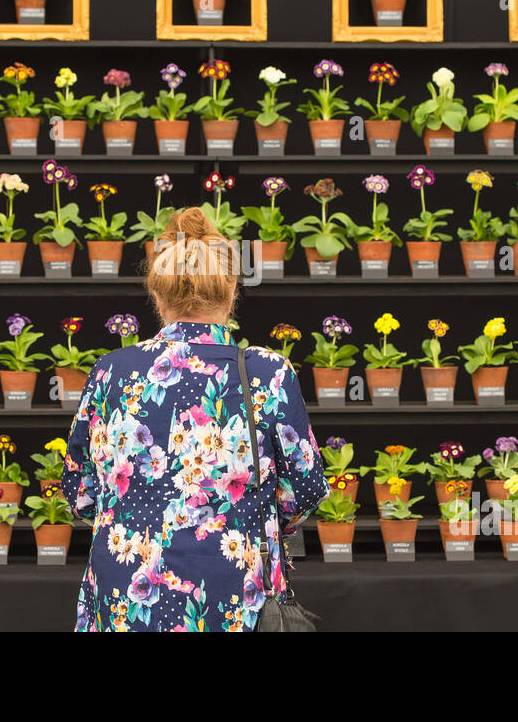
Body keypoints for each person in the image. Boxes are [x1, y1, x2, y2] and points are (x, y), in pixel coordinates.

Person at [61, 207, 328, 632]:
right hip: (235, 596)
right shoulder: (268, 373)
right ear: (232, 289)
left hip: (126, 597)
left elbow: (81, 492)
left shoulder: (110, 372)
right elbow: (305, 490)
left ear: (157, 294)